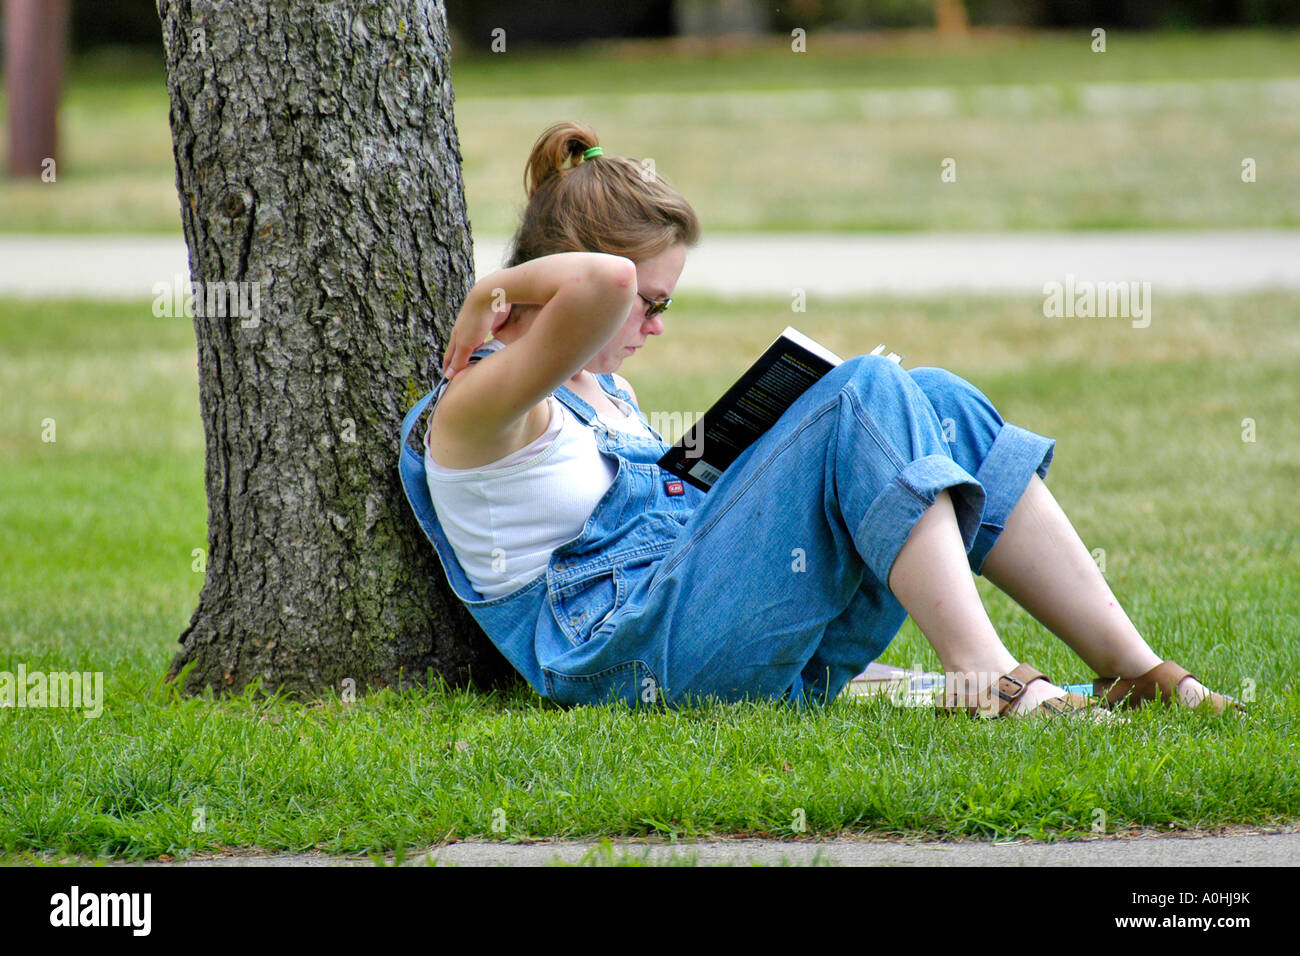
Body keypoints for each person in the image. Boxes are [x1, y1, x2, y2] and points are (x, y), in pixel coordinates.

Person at [398, 121, 1242, 719]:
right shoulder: (479, 405)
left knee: (936, 397)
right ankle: (987, 676)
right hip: (633, 660)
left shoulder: (603, 396)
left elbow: (616, 318)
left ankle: (1135, 672)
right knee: (863, 390)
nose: (655, 325)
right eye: (653, 304)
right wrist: (489, 290)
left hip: (705, 635)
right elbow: (605, 289)